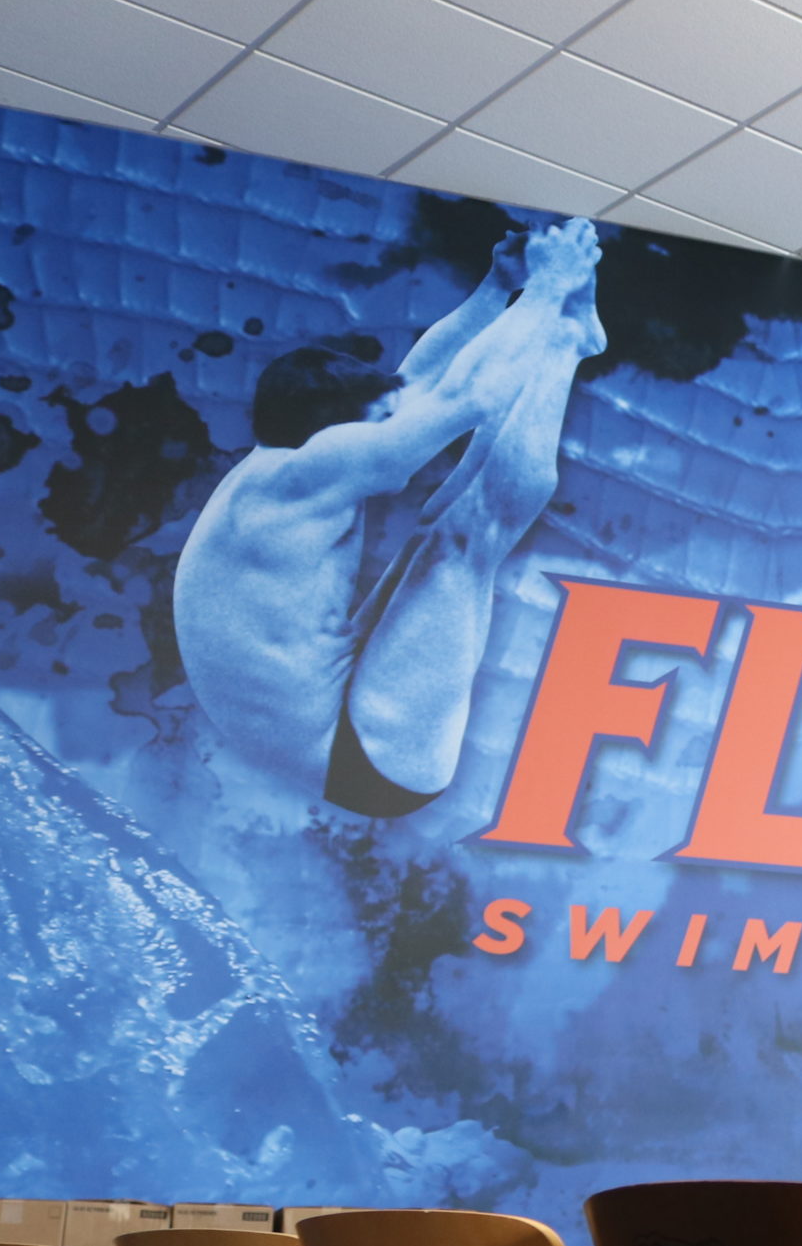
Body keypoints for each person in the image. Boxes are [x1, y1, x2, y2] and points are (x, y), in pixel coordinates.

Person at [172, 218, 607, 816]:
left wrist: (495, 287)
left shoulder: (287, 460)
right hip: (364, 761)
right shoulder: (300, 476)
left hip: (337, 722)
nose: (393, 427)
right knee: (463, 541)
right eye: (378, 421)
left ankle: (568, 338)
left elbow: (415, 385)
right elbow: (465, 398)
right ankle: (563, 342)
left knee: (444, 525)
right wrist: (547, 288)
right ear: (338, 428)